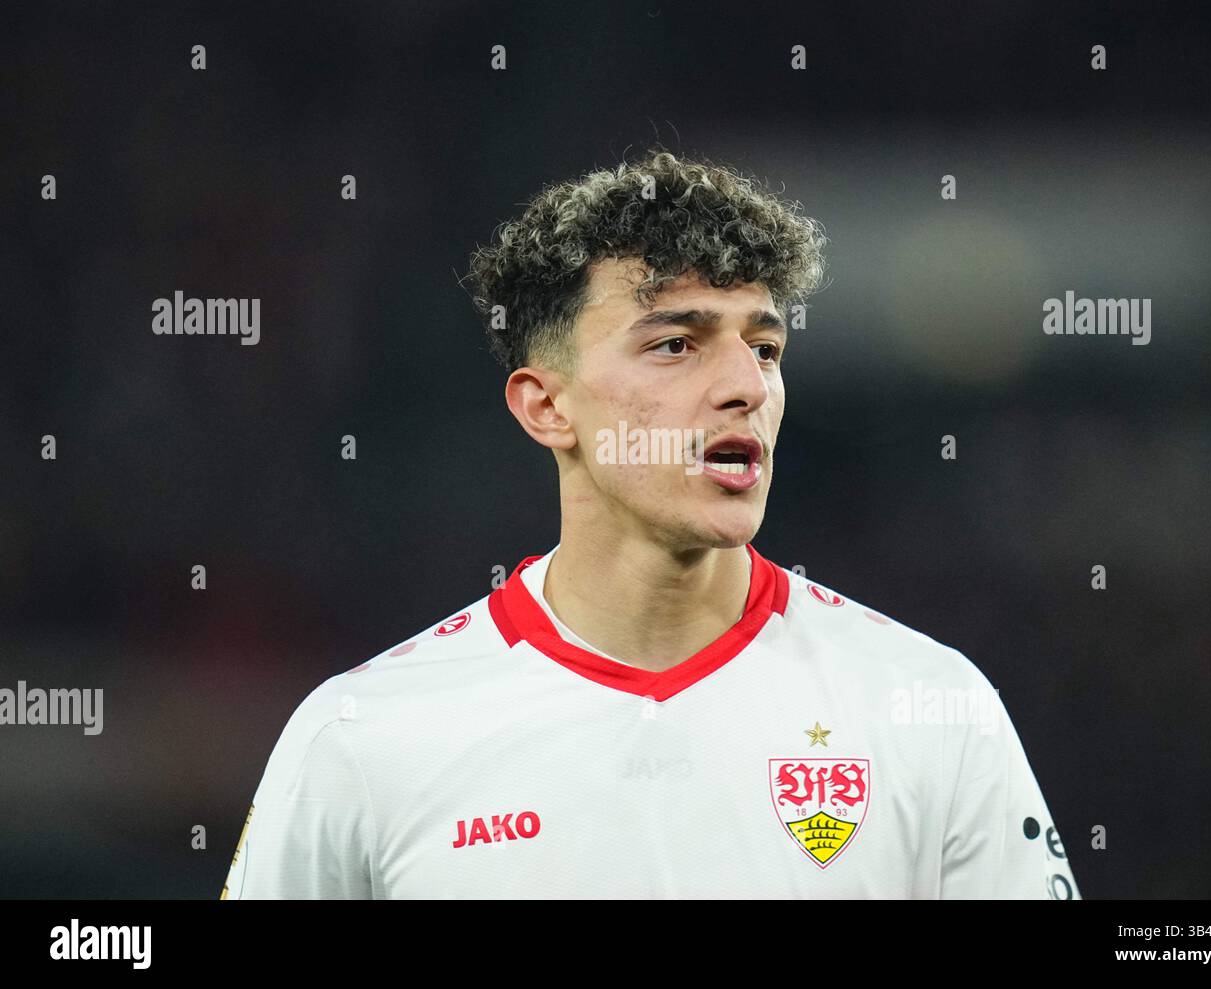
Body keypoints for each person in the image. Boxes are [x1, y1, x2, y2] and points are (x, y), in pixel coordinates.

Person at [221, 149, 1080, 899]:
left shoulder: (928, 708)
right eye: (677, 344)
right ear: (547, 406)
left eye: (766, 347)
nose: (747, 383)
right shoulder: (365, 739)